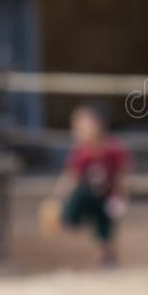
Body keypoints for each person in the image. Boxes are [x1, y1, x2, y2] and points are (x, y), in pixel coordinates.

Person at [50, 104, 132, 268]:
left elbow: (122, 176)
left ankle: (108, 257)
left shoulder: (112, 149)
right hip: (87, 196)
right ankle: (68, 221)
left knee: (106, 224)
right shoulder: (81, 153)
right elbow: (71, 177)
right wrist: (55, 198)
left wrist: (122, 198)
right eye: (76, 128)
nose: (77, 132)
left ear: (98, 126)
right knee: (78, 198)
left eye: (82, 127)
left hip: (107, 197)